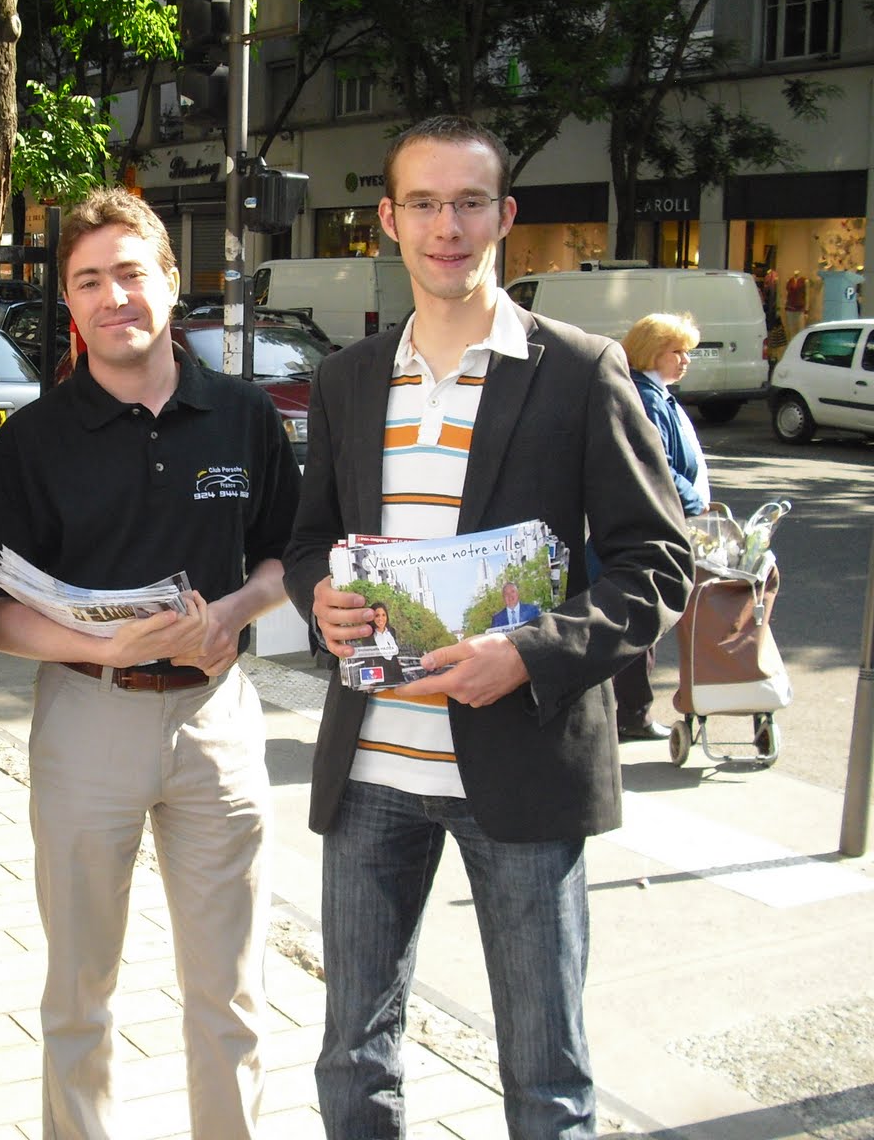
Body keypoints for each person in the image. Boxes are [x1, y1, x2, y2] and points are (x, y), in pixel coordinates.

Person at [282, 115, 693, 1140]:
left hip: (519, 769)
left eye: (469, 202)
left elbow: (659, 563)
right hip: (371, 768)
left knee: (545, 1074)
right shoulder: (348, 378)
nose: (445, 226)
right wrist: (318, 601)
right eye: (422, 202)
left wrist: (529, 651)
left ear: (504, 217)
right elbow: (308, 545)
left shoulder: (580, 369)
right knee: (352, 1060)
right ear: (386, 220)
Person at [0, 186, 301, 1139]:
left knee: (232, 995)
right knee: (79, 992)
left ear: (169, 280)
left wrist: (238, 611)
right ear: (70, 305)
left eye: (129, 272)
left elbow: (292, 551)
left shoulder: (241, 418)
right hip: (89, 722)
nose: (112, 295)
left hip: (218, 725)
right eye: (89, 281)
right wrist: (98, 644)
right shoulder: (35, 438)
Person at [612, 313, 709, 741]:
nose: (686, 360)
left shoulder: (657, 394)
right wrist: (696, 501)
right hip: (654, 521)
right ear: (654, 352)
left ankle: (632, 711)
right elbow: (660, 466)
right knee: (643, 618)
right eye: (677, 351)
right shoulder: (649, 398)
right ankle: (633, 714)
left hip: (657, 517)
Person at [783, 269, 808, 337]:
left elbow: (807, 295)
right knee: (791, 328)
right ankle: (792, 344)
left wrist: (806, 309)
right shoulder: (789, 281)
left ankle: (800, 344)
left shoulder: (804, 281)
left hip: (800, 307)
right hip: (790, 307)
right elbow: (786, 294)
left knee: (801, 328)